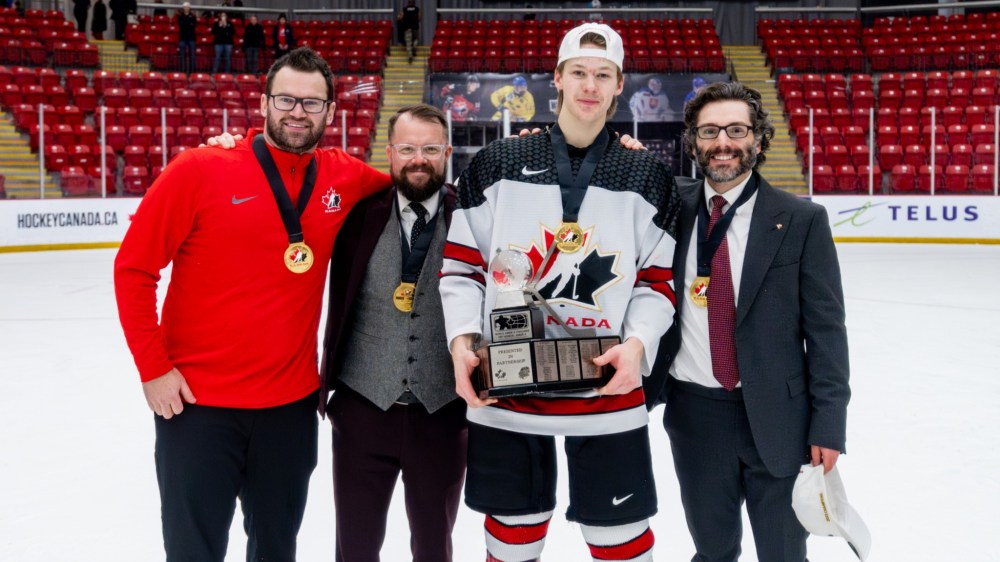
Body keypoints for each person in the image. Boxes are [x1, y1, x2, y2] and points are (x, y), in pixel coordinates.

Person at [114, 47, 391, 562]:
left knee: (276, 549)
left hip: (289, 410)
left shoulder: (344, 177)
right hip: (197, 407)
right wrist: (153, 369)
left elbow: (420, 182)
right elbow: (133, 269)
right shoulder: (198, 168)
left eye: (312, 103)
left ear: (331, 112)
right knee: (193, 550)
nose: (297, 112)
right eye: (286, 99)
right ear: (263, 103)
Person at [441, 22, 680, 562]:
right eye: (579, 73)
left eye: (603, 75)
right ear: (557, 79)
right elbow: (461, 269)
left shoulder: (647, 173)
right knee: (513, 523)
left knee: (618, 531)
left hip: (605, 383)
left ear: (620, 85)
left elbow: (657, 281)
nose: (589, 85)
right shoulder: (495, 163)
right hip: (507, 387)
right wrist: (461, 343)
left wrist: (638, 345)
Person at [644, 81, 851, 562]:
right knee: (712, 550)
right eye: (709, 130)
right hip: (695, 415)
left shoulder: (801, 220)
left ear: (758, 140)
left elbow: (826, 333)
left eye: (736, 130)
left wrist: (829, 425)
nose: (723, 142)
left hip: (780, 418)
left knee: (782, 552)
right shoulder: (671, 207)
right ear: (693, 141)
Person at [319, 104, 467, 562]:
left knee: (433, 546)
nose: (417, 159)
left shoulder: (472, 216)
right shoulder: (356, 215)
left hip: (442, 411)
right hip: (363, 409)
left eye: (428, 149)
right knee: (355, 546)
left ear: (446, 152)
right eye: (406, 149)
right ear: (389, 153)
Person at [176, 1, 196, 74]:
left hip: (191, 38)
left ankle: (192, 72)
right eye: (185, 7)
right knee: (181, 55)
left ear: (189, 8)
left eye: (187, 6)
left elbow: (192, 26)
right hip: (183, 37)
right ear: (183, 8)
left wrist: (186, 24)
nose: (186, 8)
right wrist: (187, 24)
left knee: (192, 55)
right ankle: (182, 71)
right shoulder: (180, 16)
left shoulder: (193, 16)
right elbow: (182, 25)